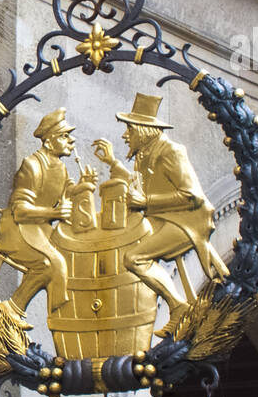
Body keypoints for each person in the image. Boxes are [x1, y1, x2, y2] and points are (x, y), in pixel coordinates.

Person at [92, 93, 228, 320]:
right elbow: (138, 186)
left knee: (133, 258)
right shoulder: (144, 154)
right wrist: (113, 162)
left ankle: (177, 307)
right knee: (118, 242)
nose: (126, 136)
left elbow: (191, 195)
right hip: (161, 219)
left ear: (143, 131)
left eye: (130, 130)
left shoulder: (171, 151)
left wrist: (146, 202)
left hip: (186, 223)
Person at [0, 108, 77, 320]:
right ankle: (13, 309)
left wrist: (83, 187)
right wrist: (54, 212)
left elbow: (65, 192)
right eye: (65, 136)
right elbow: (20, 211)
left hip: (42, 233)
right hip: (18, 232)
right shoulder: (32, 166)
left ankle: (68, 316)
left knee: (76, 258)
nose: (72, 140)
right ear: (50, 141)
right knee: (52, 264)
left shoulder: (60, 167)